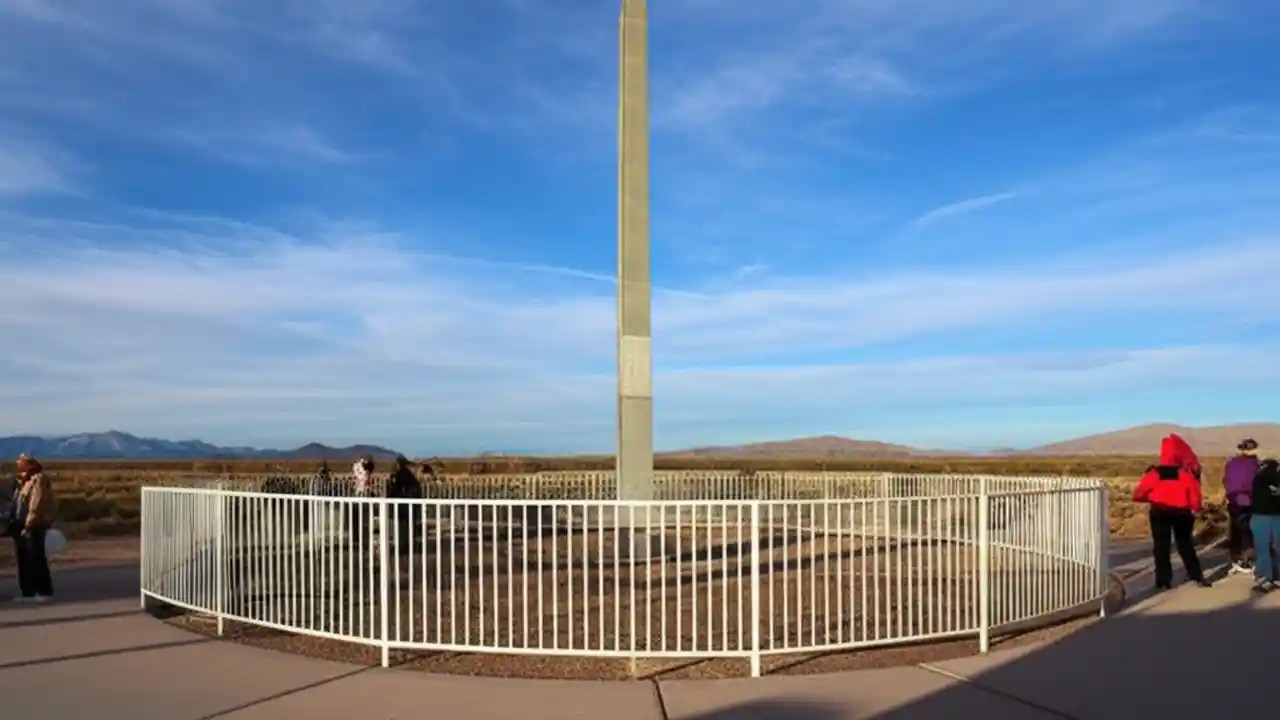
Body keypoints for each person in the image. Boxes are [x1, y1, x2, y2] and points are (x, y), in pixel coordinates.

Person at [1133, 434, 1211, 590]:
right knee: (1186, 545)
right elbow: (1195, 496)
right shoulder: (1185, 476)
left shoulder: (1154, 475)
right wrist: (1195, 508)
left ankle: (1163, 581)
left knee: (1161, 546)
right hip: (1182, 514)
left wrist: (1149, 499)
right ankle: (1197, 576)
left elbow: (1139, 494)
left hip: (1160, 513)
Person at [11, 454, 56, 603]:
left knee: (35, 557)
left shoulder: (39, 480)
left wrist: (29, 525)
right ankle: (28, 592)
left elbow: (36, 505)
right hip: (20, 524)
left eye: (22, 461)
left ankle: (43, 591)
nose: (18, 463)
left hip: (33, 525)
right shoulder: (24, 481)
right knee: (23, 559)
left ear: (30, 464)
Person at [1223, 438, 1260, 574]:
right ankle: (1249, 560)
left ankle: (1236, 559)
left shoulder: (1231, 464)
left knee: (1236, 530)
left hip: (1234, 500)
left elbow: (1226, 480)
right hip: (1250, 501)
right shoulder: (1255, 465)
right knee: (1249, 532)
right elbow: (1254, 484)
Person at [1249, 458, 1280, 593]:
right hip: (1277, 516)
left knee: (1263, 548)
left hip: (1261, 516)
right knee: (1277, 547)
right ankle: (1277, 576)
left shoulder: (1258, 480)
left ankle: (1264, 578)